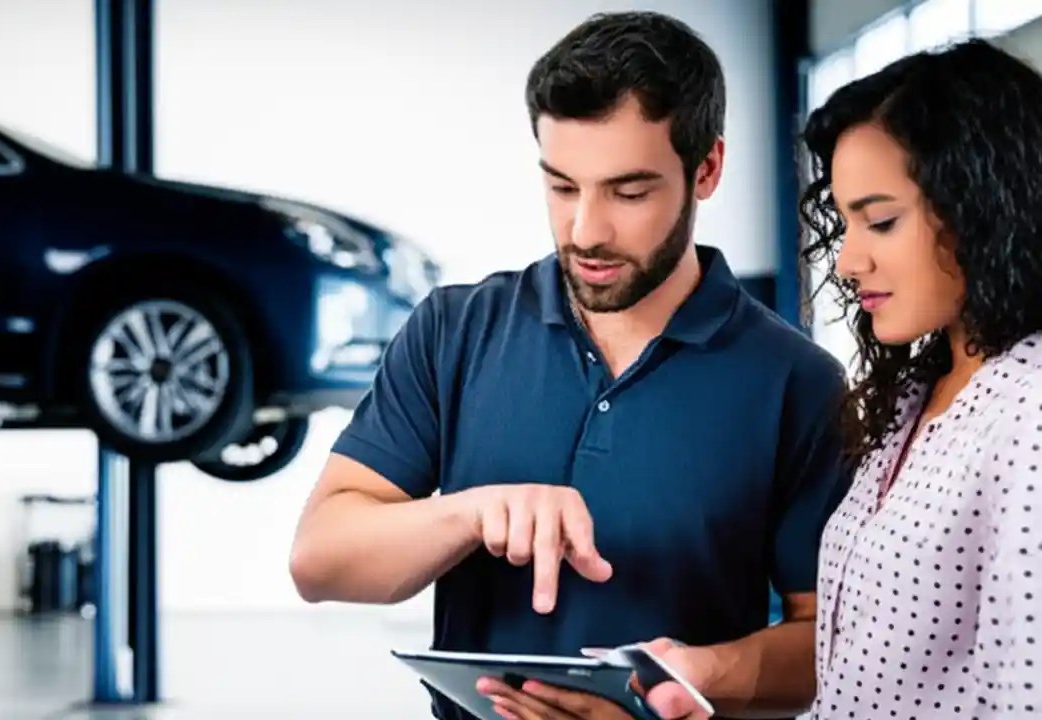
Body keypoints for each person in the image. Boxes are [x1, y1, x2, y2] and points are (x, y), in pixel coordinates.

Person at [290, 11, 850, 720]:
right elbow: (320, 561)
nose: (587, 230)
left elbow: (825, 645)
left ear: (706, 169)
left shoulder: (798, 382)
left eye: (629, 192)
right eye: (562, 187)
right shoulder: (454, 330)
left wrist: (690, 680)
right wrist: (470, 513)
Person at [798, 38, 1042, 719]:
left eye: (880, 221)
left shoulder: (1028, 417)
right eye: (845, 222)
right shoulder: (918, 394)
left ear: (982, 209)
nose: (847, 261)